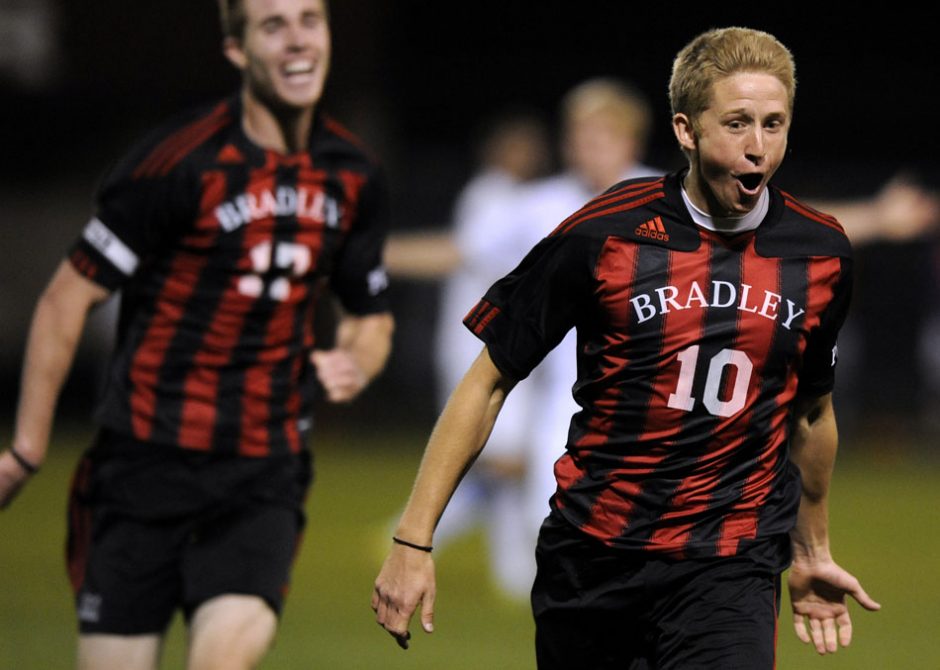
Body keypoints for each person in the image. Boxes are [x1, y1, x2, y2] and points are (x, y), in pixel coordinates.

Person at [372, 26, 879, 668]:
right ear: (686, 130)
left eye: (774, 124)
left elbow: (810, 412)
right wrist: (414, 538)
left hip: (729, 566)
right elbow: (490, 379)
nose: (757, 148)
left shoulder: (820, 253)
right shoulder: (605, 233)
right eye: (737, 124)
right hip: (594, 558)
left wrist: (811, 551)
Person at [0, 0, 394, 668]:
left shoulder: (353, 175)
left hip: (261, 471)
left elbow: (370, 312)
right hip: (142, 466)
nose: (298, 40)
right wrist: (27, 451)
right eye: (274, 25)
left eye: (310, 20)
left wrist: (357, 358)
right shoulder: (176, 164)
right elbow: (67, 300)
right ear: (237, 52)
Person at [384, 81, 661, 599]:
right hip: (565, 386)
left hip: (649, 383)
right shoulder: (541, 204)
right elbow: (460, 251)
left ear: (631, 140)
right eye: (579, 134)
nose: (587, 146)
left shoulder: (666, 198)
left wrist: (866, 221)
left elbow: (771, 236)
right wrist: (370, 255)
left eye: (601, 134)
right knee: (553, 518)